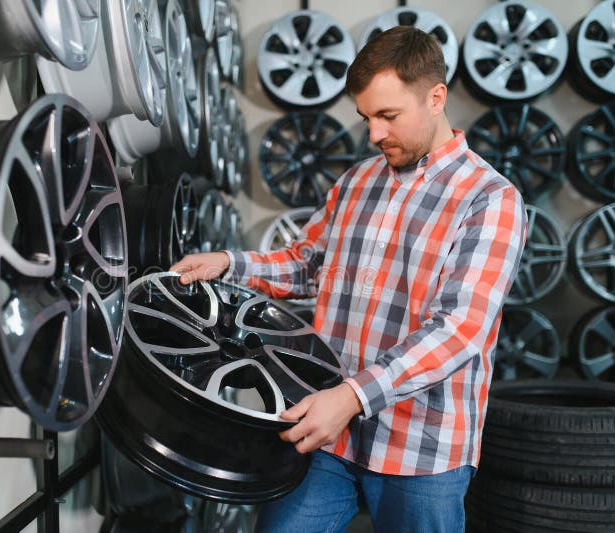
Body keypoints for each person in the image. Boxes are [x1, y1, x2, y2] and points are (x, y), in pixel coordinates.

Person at [170, 25, 526, 533]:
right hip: (330, 431)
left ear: (436, 97)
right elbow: (310, 265)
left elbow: (459, 328)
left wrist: (354, 396)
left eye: (388, 115)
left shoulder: (489, 199)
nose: (374, 134)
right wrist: (230, 263)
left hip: (421, 447)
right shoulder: (358, 181)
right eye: (366, 118)